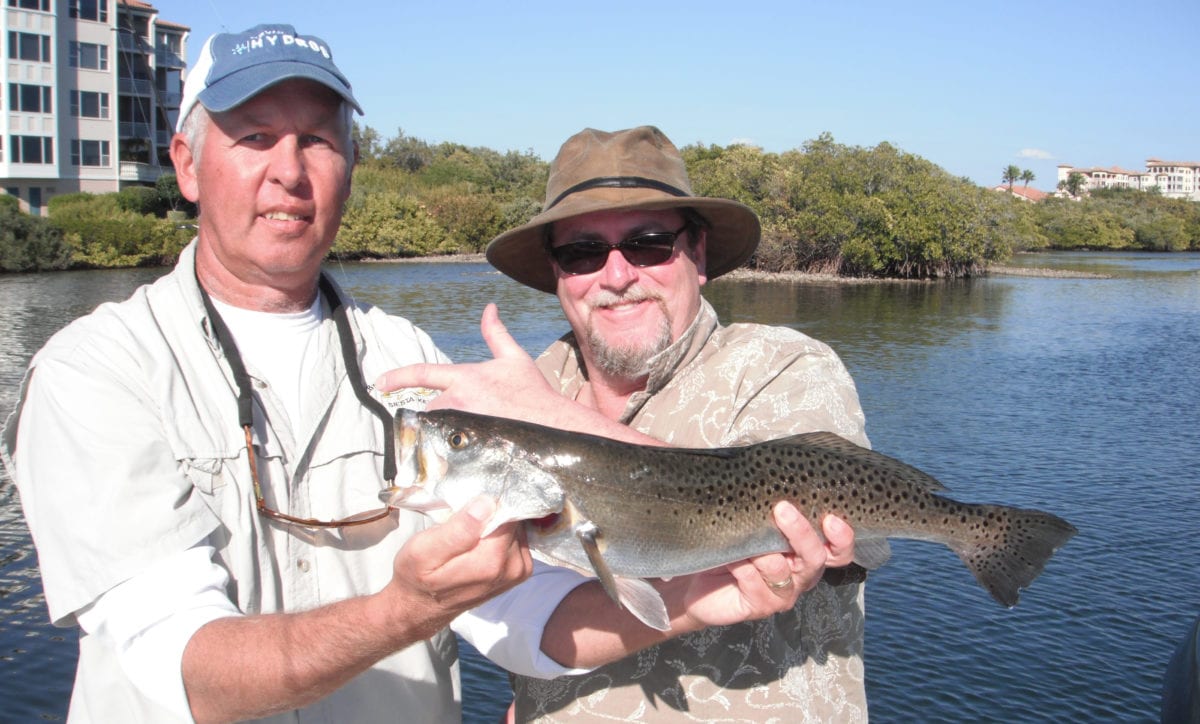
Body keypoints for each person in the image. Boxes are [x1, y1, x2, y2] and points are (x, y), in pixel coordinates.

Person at [1, 27, 851, 723]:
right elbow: (178, 667)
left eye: (318, 140)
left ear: (349, 169)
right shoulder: (92, 371)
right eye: (253, 137)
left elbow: (515, 615)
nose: (289, 170)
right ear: (186, 163)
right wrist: (403, 612)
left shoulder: (416, 363)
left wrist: (699, 598)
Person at [377, 125, 871, 721]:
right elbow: (514, 618)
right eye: (583, 252)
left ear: (699, 254)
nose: (616, 275)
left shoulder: (785, 367)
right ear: (558, 273)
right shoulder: (526, 389)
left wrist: (546, 421)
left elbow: (772, 491)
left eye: (647, 243)